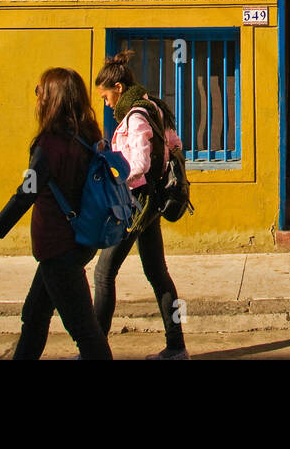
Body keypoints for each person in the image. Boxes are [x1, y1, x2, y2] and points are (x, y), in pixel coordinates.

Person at [0, 67, 113, 360]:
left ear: (51, 99)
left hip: (58, 248)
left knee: (85, 331)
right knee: (34, 315)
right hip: (79, 241)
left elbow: (25, 195)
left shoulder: (50, 145)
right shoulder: (87, 137)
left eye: (39, 92)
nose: (36, 98)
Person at [92, 50, 188, 360]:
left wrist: (110, 168)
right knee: (158, 274)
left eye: (106, 97)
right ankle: (176, 347)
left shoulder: (134, 115)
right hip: (152, 204)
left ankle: (94, 351)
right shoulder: (153, 107)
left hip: (132, 205)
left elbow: (140, 163)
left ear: (118, 88)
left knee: (104, 274)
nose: (106, 104)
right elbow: (175, 145)